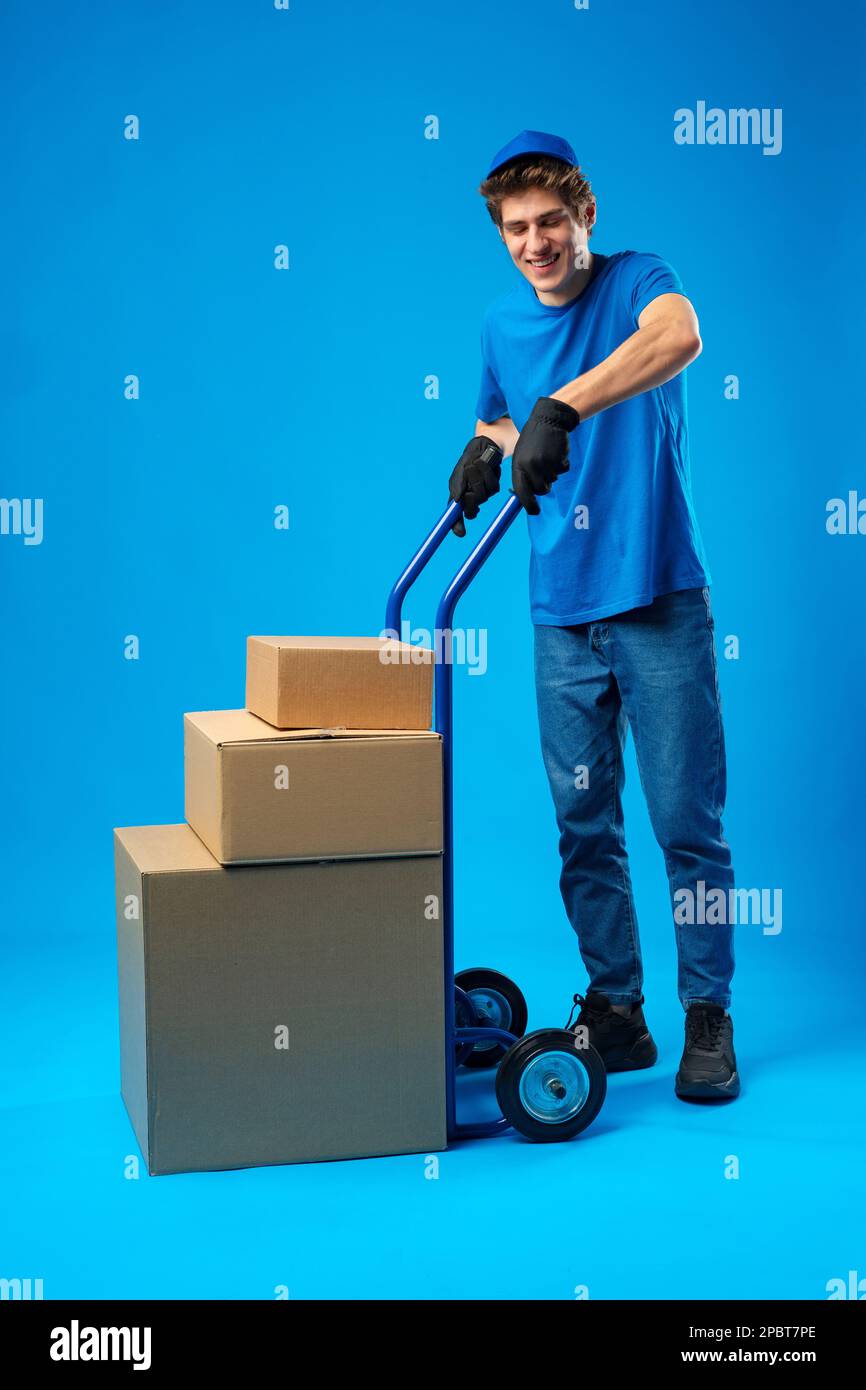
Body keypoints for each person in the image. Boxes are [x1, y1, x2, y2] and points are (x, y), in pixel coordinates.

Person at [449, 130, 739, 1100]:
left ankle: (708, 1016)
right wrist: (483, 446)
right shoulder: (499, 323)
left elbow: (678, 338)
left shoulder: (631, 283)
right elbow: (503, 414)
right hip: (560, 609)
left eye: (550, 222)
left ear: (585, 217)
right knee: (582, 821)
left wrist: (560, 408)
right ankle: (617, 1010)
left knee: (682, 821)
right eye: (516, 228)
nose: (535, 242)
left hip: (655, 595)